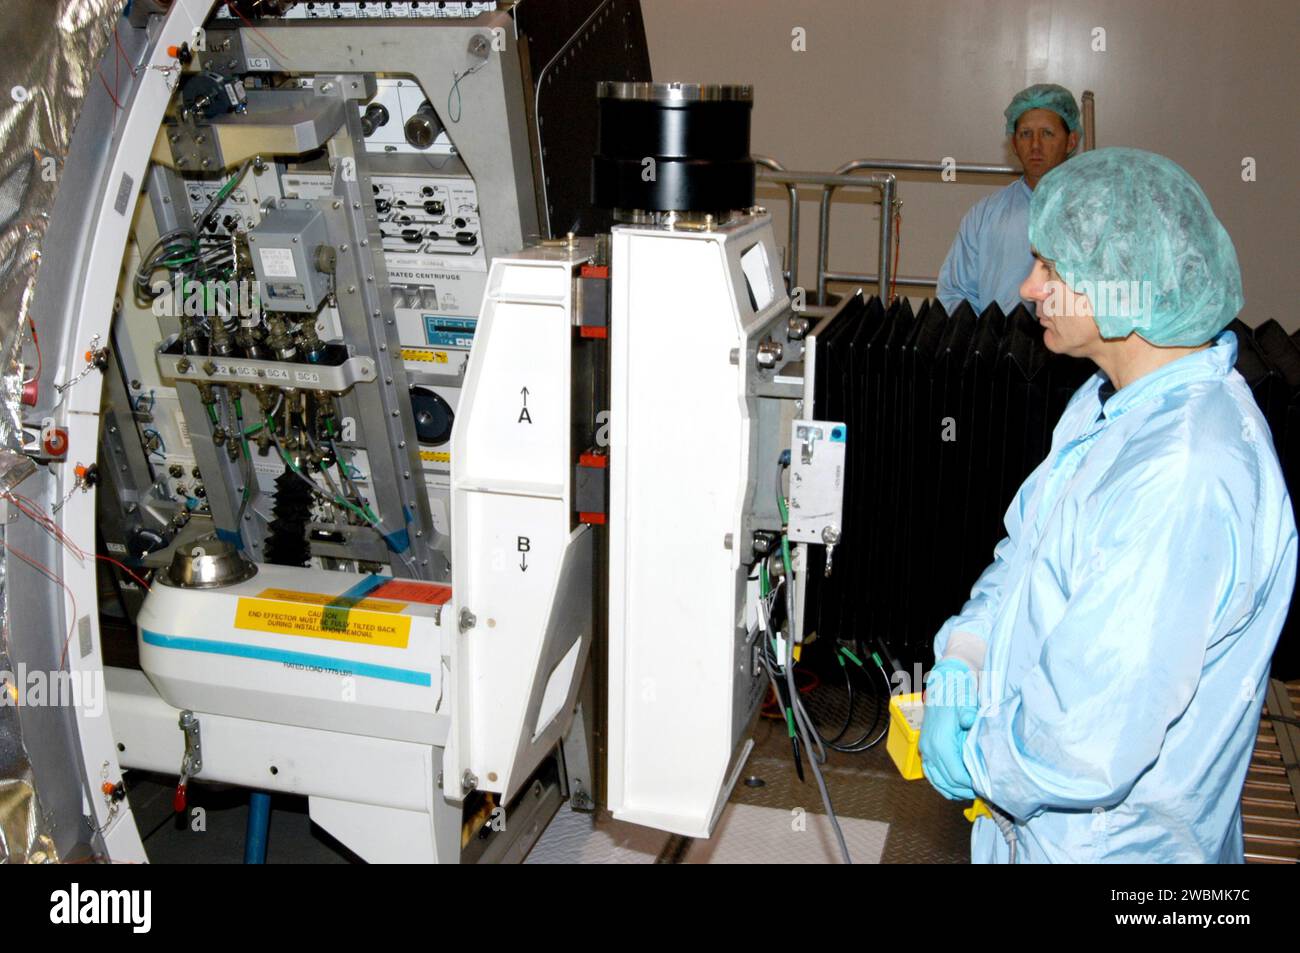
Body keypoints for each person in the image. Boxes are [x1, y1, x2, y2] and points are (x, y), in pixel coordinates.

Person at [919, 146, 1298, 863]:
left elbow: (1086, 741)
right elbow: (1026, 552)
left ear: (1122, 285)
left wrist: (980, 760)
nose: (1029, 288)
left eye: (1053, 269)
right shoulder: (1109, 405)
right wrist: (966, 652)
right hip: (1041, 830)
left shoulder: (1181, 474)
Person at [936, 83, 1079, 315]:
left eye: (1047, 133)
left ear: (1071, 141)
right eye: (1025, 134)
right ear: (1013, 143)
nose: (1035, 145)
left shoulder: (1092, 213)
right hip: (997, 348)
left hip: (1073, 349)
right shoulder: (984, 216)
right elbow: (955, 295)